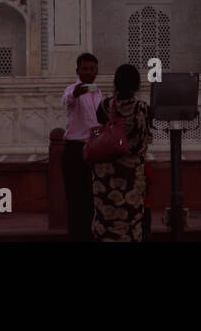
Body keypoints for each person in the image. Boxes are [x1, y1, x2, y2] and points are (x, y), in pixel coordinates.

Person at [90, 63, 152, 242]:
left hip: (105, 177)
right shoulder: (142, 109)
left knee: (106, 222)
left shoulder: (105, 105)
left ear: (115, 83)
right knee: (130, 223)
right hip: (130, 177)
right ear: (137, 86)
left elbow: (98, 126)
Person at [61, 52, 103, 241]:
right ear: (77, 70)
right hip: (75, 150)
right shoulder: (72, 90)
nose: (88, 72)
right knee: (75, 198)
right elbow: (70, 99)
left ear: (96, 70)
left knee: (92, 197)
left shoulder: (98, 92)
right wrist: (78, 91)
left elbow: (96, 122)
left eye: (91, 69)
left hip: (93, 149)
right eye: (84, 69)